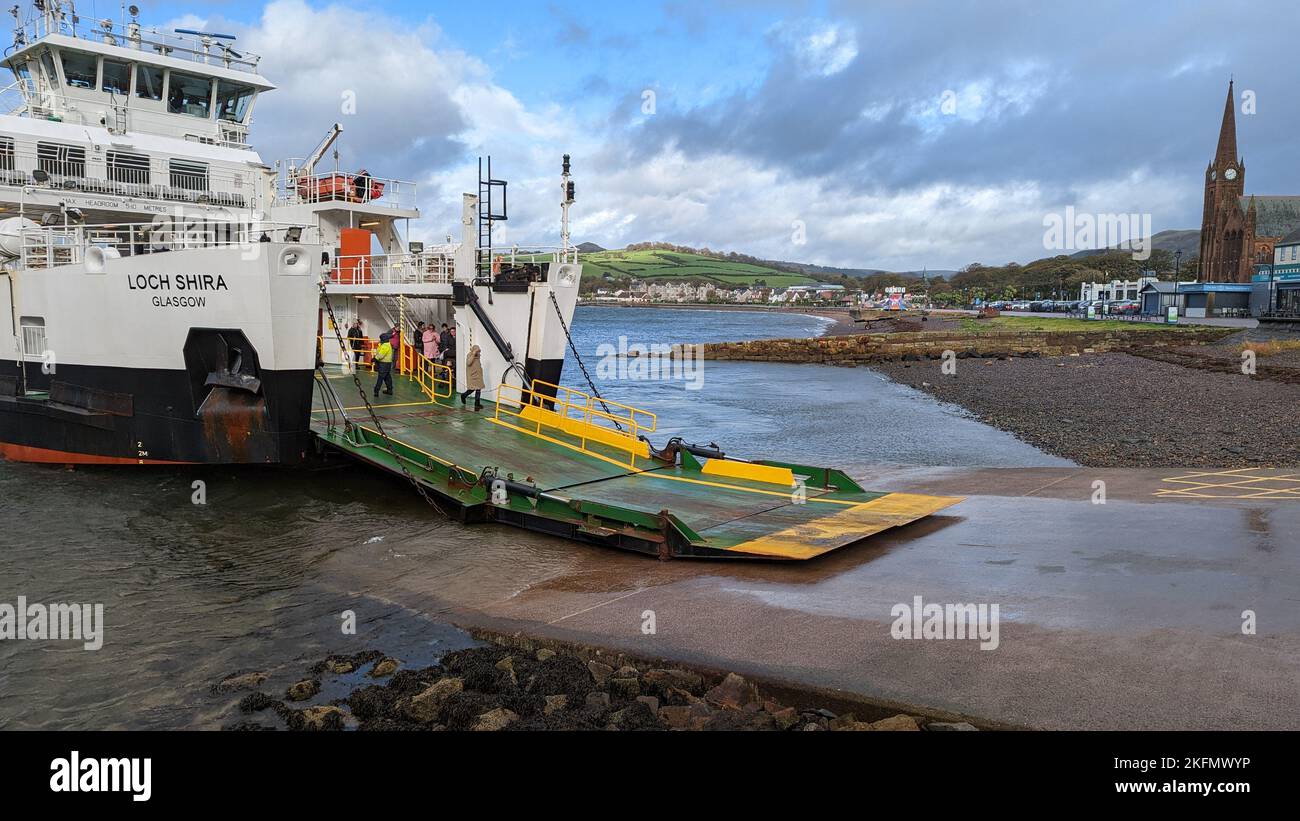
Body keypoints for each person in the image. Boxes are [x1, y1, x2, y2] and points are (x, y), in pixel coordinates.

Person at [461, 345, 484, 410]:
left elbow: (478, 364)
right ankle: (464, 395)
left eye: (479, 351)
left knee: (478, 389)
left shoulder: (478, 356)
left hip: (478, 375)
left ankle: (477, 404)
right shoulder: (470, 355)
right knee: (472, 389)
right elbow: (468, 363)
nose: (478, 353)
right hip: (472, 375)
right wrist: (473, 354)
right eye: (477, 351)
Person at [373, 333, 394, 397]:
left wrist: (375, 358)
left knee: (380, 378)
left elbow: (381, 355)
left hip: (383, 364)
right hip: (387, 363)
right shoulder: (386, 344)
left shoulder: (385, 346)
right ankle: (389, 390)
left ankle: (376, 391)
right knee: (387, 377)